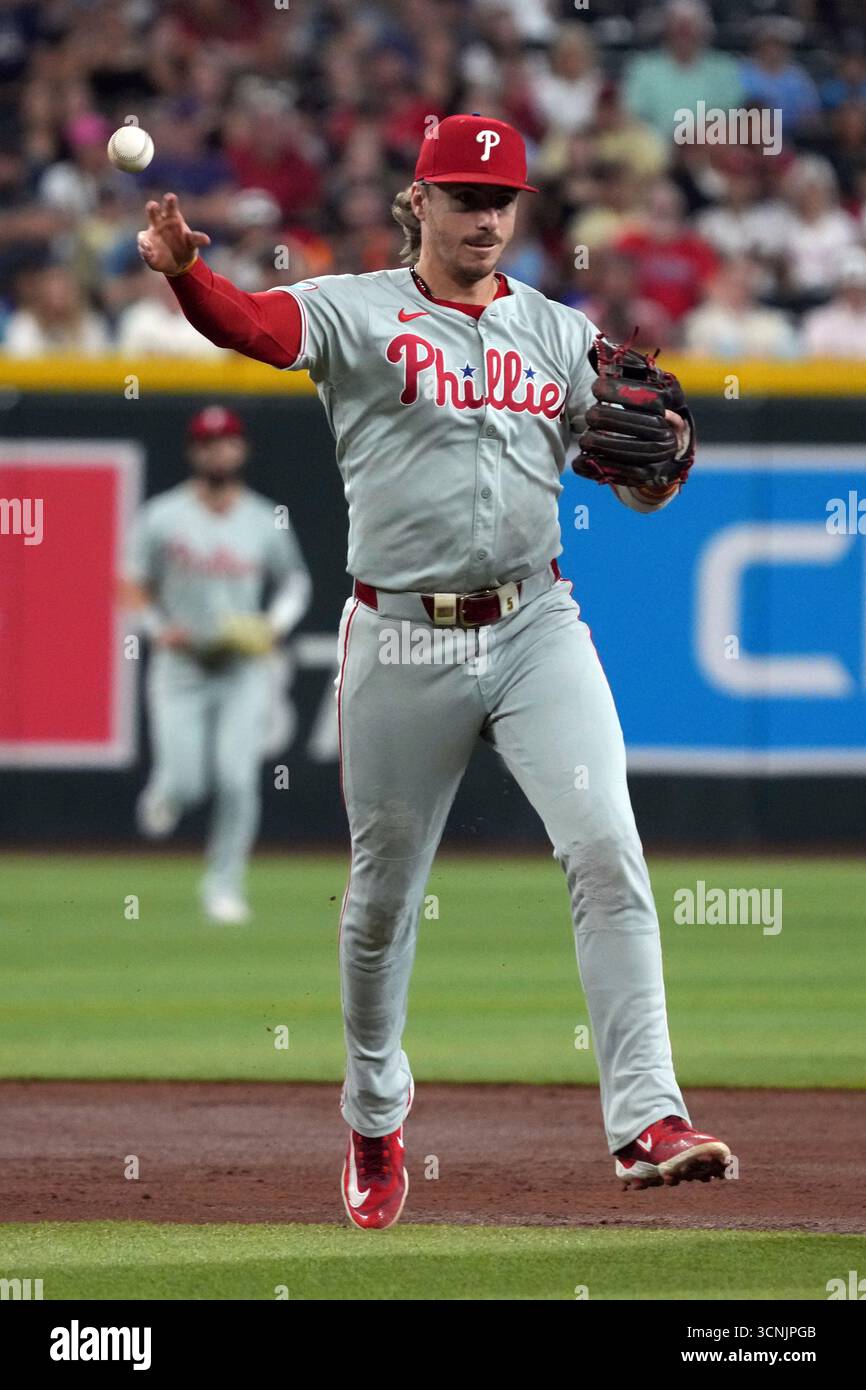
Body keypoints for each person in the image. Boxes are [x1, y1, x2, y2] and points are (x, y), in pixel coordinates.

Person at [136, 114, 731, 1228]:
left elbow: (639, 475)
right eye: (461, 196)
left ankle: (648, 1117)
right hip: (400, 633)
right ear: (418, 201)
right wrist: (187, 278)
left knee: (605, 843)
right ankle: (372, 1114)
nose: (484, 218)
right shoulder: (354, 309)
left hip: (534, 620)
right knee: (378, 903)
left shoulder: (557, 332)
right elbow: (259, 329)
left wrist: (661, 476)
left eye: (500, 200)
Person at [121, 406, 311, 925]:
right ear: (192, 451)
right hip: (181, 665)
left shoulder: (263, 517)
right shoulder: (162, 515)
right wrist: (159, 627)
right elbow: (133, 581)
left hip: (240, 666)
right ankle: (167, 790)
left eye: (226, 441)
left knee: (236, 778)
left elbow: (296, 581)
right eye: (207, 443)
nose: (217, 451)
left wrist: (273, 624)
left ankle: (223, 886)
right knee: (186, 781)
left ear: (241, 449)